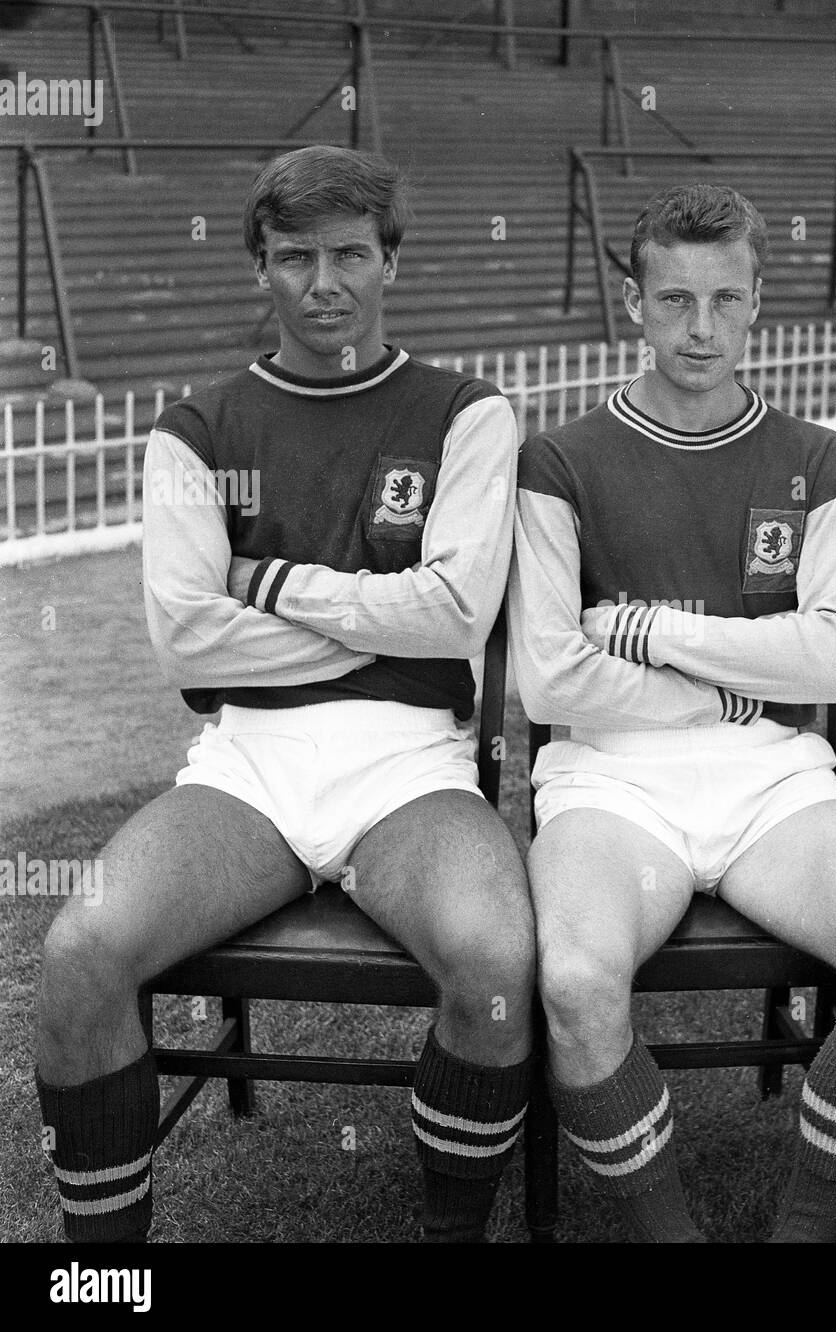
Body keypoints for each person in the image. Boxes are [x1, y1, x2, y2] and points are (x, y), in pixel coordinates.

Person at [35, 145, 535, 1244]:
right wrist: (378, 631)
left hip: (409, 765)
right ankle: (104, 1275)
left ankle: (450, 1233)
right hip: (247, 763)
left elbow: (457, 616)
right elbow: (188, 648)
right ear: (257, 268)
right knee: (78, 959)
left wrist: (263, 591)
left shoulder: (466, 414)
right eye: (294, 256)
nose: (324, 283)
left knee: (496, 964)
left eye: (350, 253)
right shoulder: (196, 429)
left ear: (389, 263)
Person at [508, 182, 836, 1243]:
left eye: (724, 300)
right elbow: (551, 682)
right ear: (633, 302)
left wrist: (656, 631)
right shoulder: (559, 458)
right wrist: (749, 674)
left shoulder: (817, 459)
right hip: (608, 780)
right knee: (572, 978)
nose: (699, 329)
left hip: (771, 780)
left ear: (757, 303)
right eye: (673, 301)